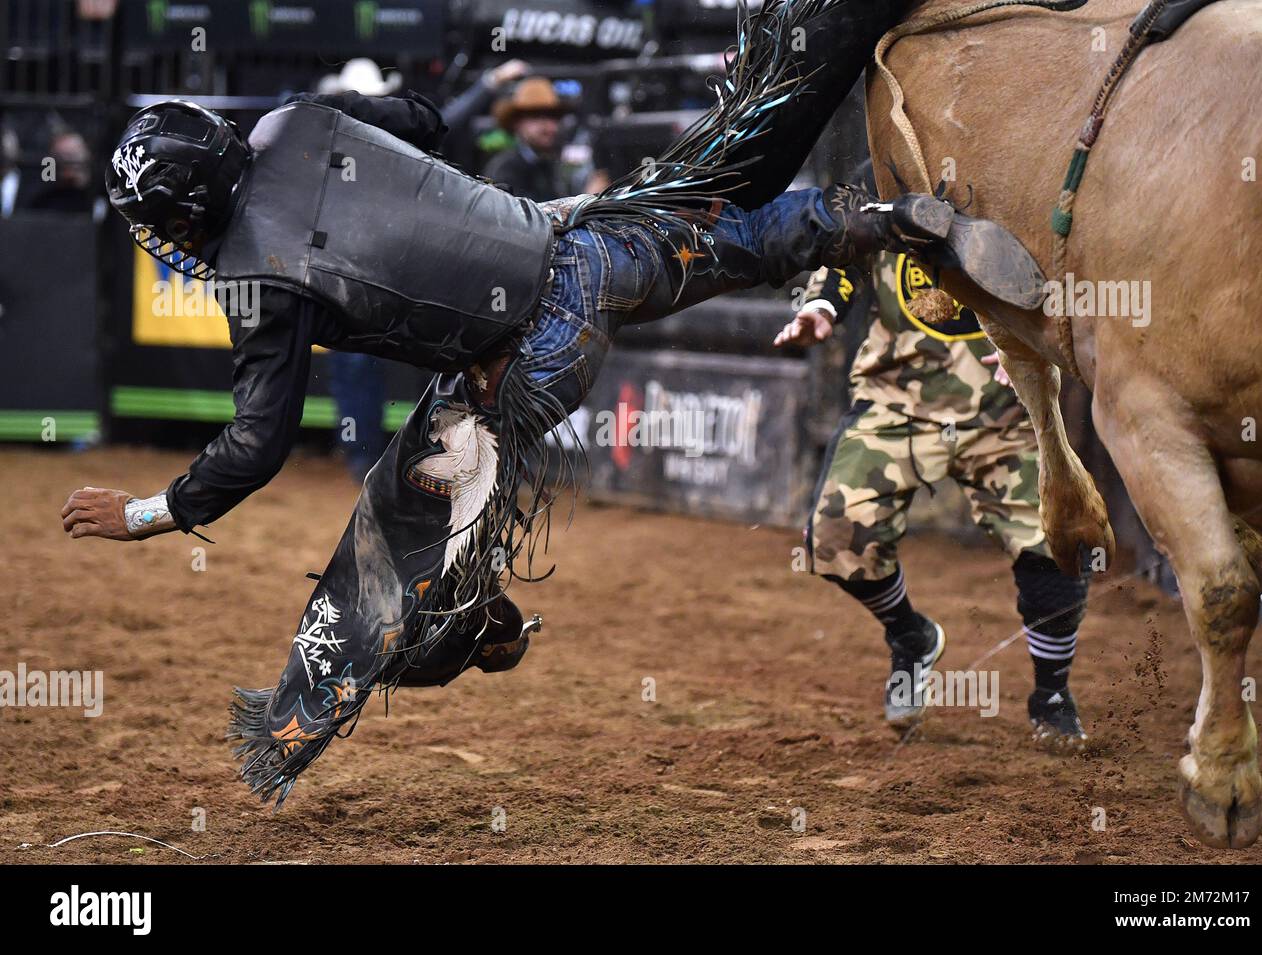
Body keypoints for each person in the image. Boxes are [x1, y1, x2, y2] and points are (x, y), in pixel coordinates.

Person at [65, 0, 1047, 805]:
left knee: (394, 542)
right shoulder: (294, 122)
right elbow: (422, 118)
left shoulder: (258, 276)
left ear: (187, 209)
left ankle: (469, 615)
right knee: (719, 239)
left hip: (530, 351)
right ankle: (866, 220)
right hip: (572, 237)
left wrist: (153, 513)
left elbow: (257, 441)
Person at [774, 174, 1090, 745]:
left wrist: (1046, 347)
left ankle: (1051, 694)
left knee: (1054, 545)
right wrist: (820, 305)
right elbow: (844, 254)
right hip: (896, 397)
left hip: (1008, 403)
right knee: (835, 539)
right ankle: (911, 637)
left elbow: (1070, 268)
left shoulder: (1023, 166)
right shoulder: (887, 171)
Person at [482, 76, 572, 202]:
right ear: (517, 122)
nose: (549, 126)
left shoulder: (548, 165)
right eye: (537, 116)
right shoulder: (505, 169)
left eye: (553, 117)